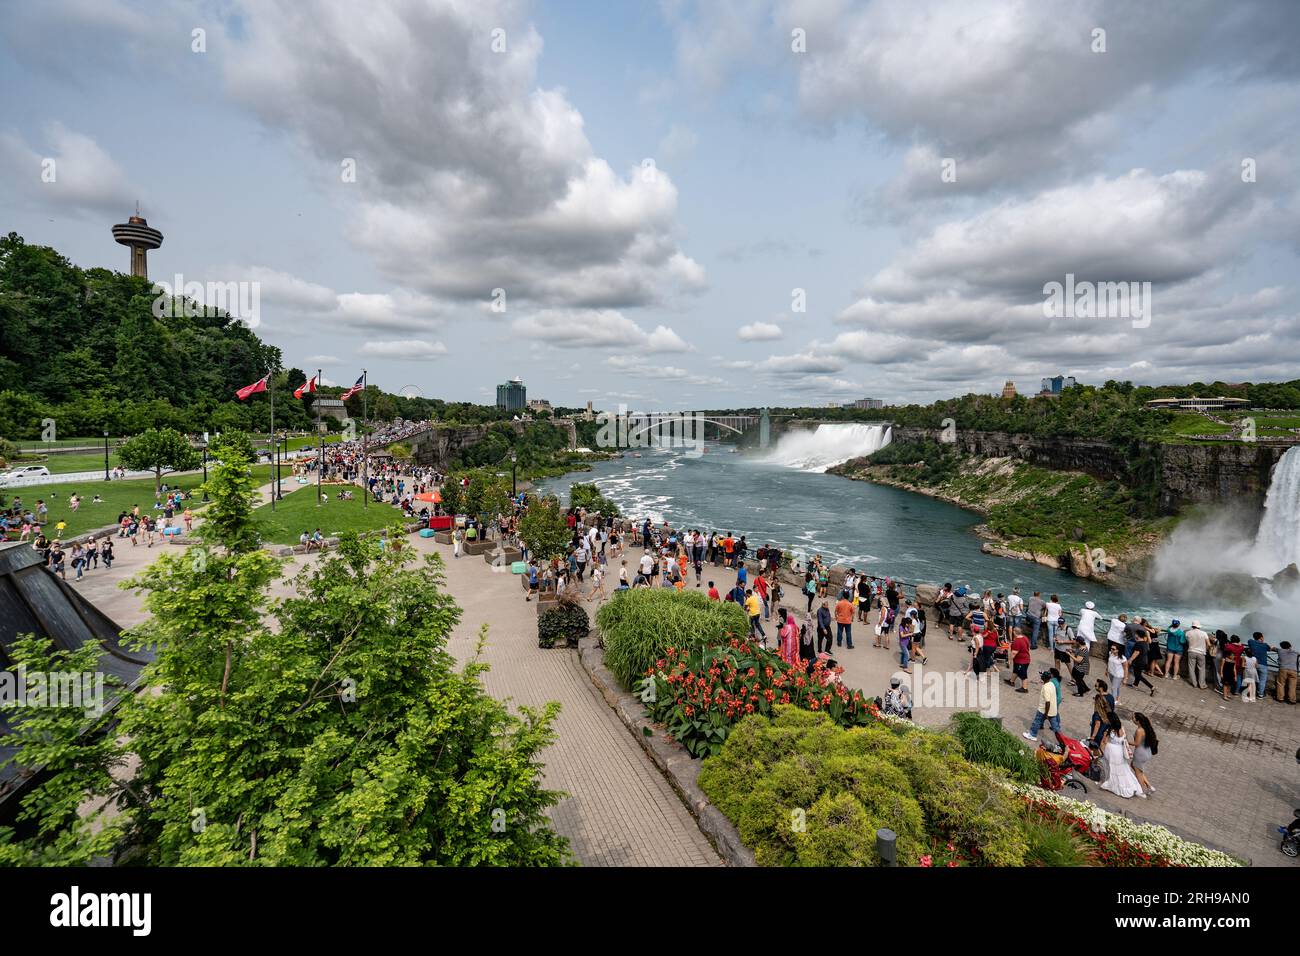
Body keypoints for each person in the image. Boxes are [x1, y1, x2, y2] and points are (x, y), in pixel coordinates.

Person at [1099, 715, 1145, 799]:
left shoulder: (1109, 731)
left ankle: (1112, 784)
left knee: (1111, 768)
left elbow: (1104, 742)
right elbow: (1125, 739)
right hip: (1119, 751)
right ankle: (1131, 786)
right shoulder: (1122, 729)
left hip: (1111, 751)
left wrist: (1101, 752)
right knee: (1122, 769)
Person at [1022, 670, 1060, 742]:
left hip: (1043, 710)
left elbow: (1047, 702)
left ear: (1044, 678)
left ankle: (1032, 735)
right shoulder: (1051, 684)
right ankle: (1062, 739)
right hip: (1053, 710)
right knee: (1055, 727)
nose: (1041, 677)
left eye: (1042, 676)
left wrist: (1046, 714)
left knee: (1037, 721)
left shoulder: (1045, 687)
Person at [1130, 712, 1158, 795]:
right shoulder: (1147, 726)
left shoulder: (1139, 730)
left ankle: (1142, 791)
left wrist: (1125, 741)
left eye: (1133, 718)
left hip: (1140, 753)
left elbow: (1137, 743)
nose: (1132, 719)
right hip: (1147, 751)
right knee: (1135, 767)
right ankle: (1149, 786)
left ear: (1138, 721)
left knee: (1138, 772)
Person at [1089, 680, 1116, 747]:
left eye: (1096, 686)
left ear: (1101, 688)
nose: (1095, 687)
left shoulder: (1099, 701)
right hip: (1107, 724)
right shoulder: (1111, 697)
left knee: (1094, 747)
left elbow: (1097, 724)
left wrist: (1092, 737)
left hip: (1098, 731)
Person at [1184, 620, 1210, 688]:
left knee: (1191, 668)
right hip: (1201, 653)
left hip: (1191, 651)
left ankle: (1194, 683)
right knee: (1201, 669)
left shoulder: (1188, 633)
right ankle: (1202, 684)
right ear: (1199, 626)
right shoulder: (1204, 633)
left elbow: (1187, 641)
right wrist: (1205, 649)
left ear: (1192, 626)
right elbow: (1209, 644)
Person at [1247, 632, 1271, 700]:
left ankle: (1250, 693)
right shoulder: (1265, 645)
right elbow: (1269, 648)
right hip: (1263, 665)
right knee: (1262, 680)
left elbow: (1250, 641)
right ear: (1261, 637)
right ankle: (1260, 695)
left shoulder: (1251, 642)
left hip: (1253, 664)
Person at [1007, 627, 1032, 693]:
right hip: (1026, 659)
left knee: (1023, 674)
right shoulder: (1025, 637)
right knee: (1016, 670)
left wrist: (1009, 661)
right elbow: (1028, 646)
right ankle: (1011, 681)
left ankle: (1025, 688)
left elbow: (1014, 653)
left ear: (1015, 632)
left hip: (1021, 661)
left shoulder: (1017, 641)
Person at [1220, 634, 1244, 701]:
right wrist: (1239, 643)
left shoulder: (1228, 646)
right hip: (1237, 663)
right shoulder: (1241, 647)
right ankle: (1236, 691)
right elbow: (1242, 646)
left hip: (1228, 664)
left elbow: (1225, 651)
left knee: (1226, 681)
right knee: (1237, 678)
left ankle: (1225, 693)